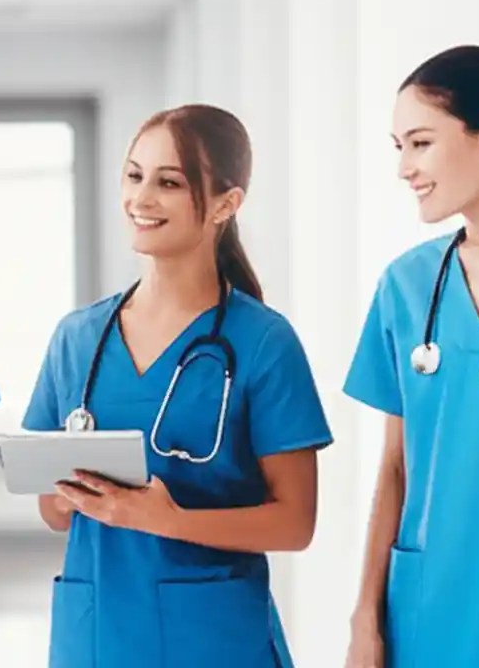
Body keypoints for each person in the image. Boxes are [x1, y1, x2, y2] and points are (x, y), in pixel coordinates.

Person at [25, 104, 333, 667]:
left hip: (213, 641)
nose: (141, 198)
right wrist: (74, 496)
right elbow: (50, 508)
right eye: (134, 174)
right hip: (97, 636)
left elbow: (295, 523)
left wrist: (166, 520)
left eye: (168, 182)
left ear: (226, 203)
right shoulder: (78, 339)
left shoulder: (262, 342)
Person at [344, 45, 479, 668]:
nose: (404, 167)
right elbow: (394, 469)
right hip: (426, 607)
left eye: (421, 143)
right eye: (398, 147)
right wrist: (365, 619)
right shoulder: (406, 287)